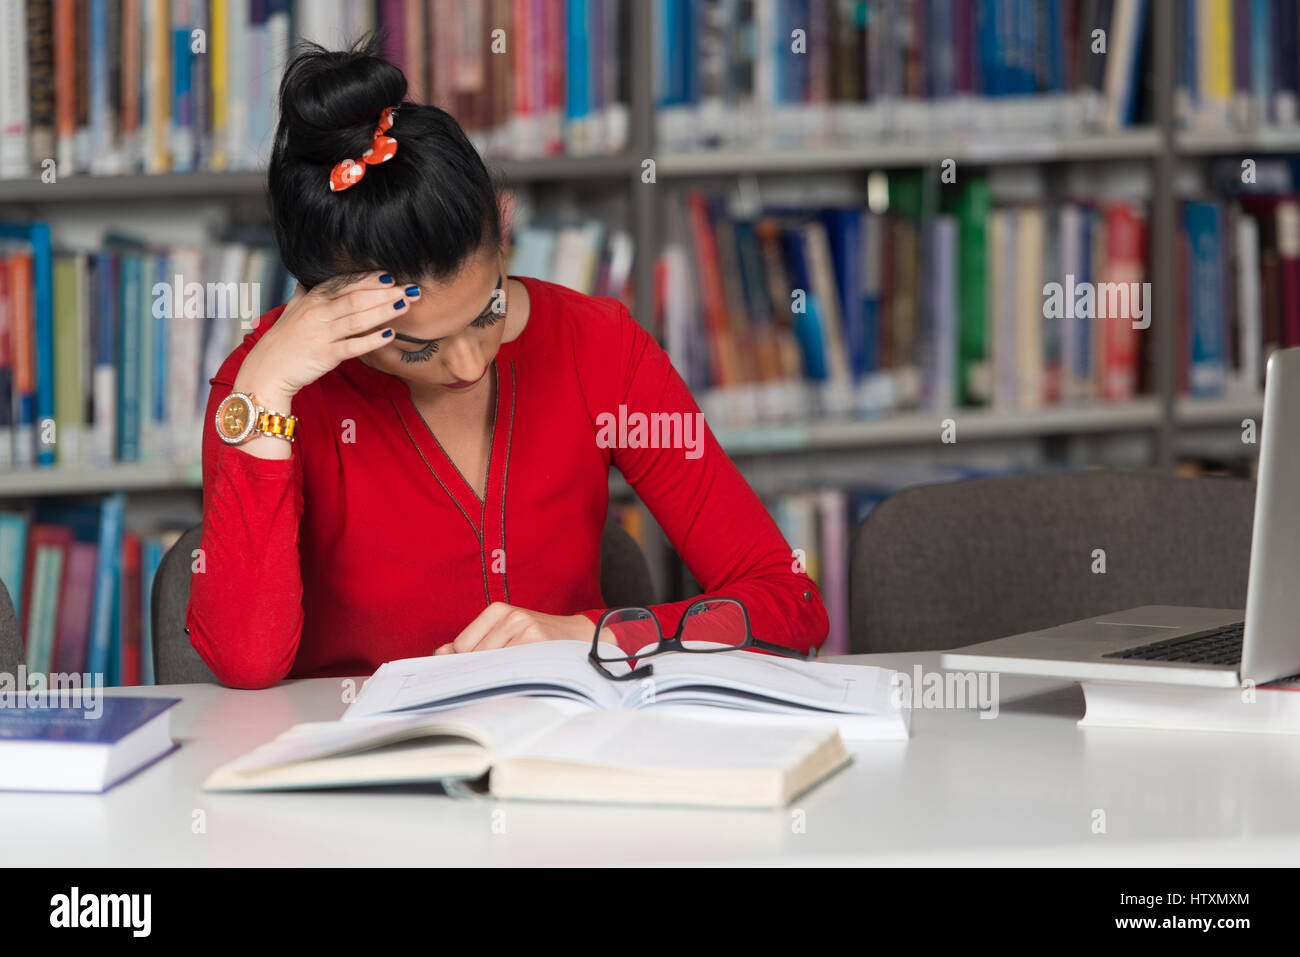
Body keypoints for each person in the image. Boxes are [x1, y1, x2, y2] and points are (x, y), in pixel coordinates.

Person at [187, 39, 828, 689]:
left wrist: (594, 632)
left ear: (504, 232)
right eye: (415, 345)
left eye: (487, 308)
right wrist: (265, 391)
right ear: (329, 304)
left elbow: (790, 605)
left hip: (564, 754)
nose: (468, 364)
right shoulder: (267, 388)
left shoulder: (596, 343)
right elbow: (247, 663)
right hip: (362, 764)